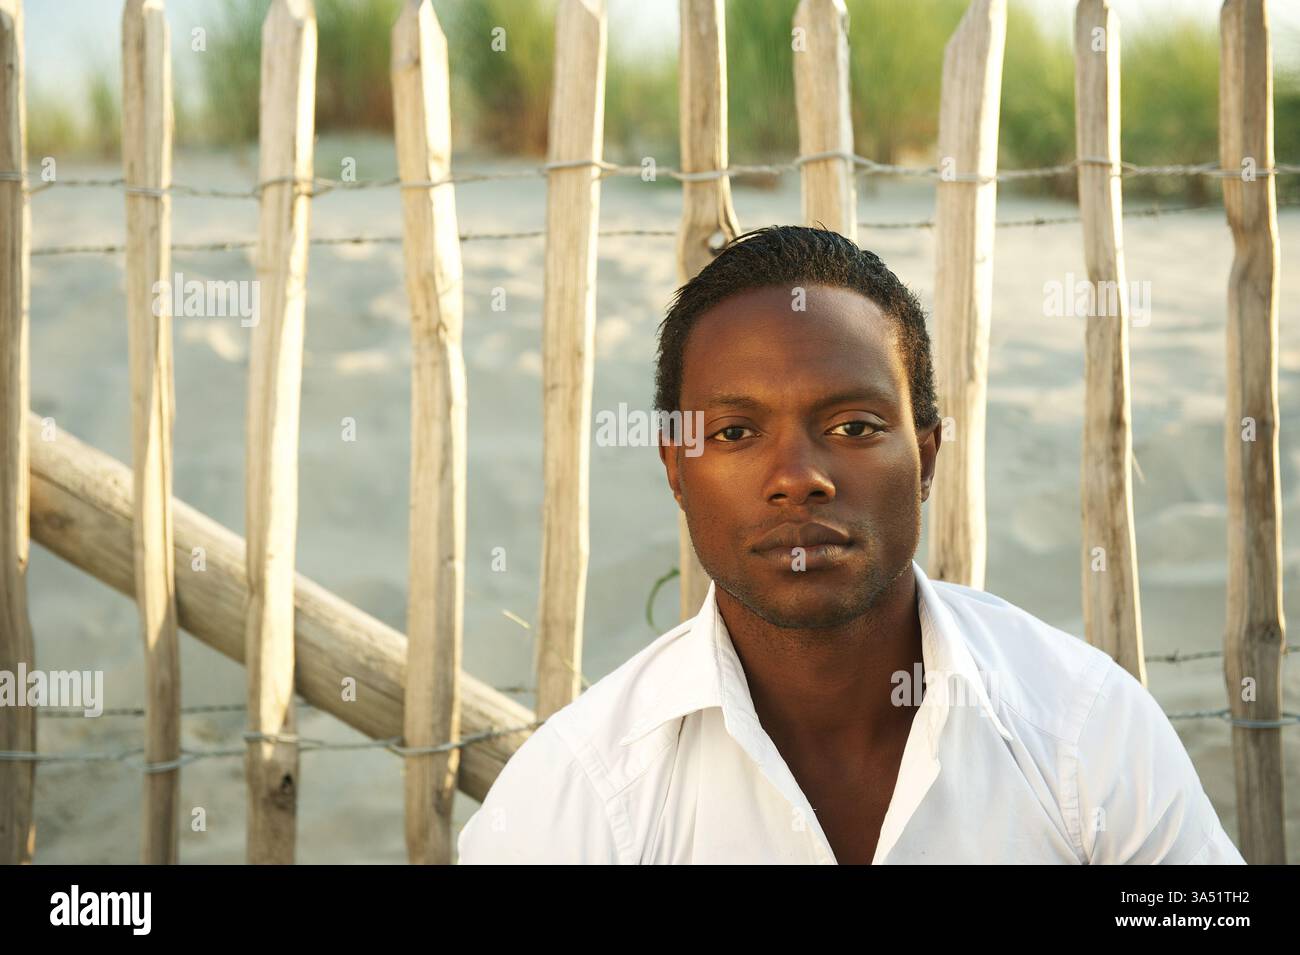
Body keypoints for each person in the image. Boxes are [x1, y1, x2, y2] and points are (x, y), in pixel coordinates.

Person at [457, 225, 1245, 864]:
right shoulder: (582, 794)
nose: (798, 478)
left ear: (927, 458)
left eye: (853, 427)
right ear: (677, 468)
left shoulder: (1082, 731)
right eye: (735, 431)